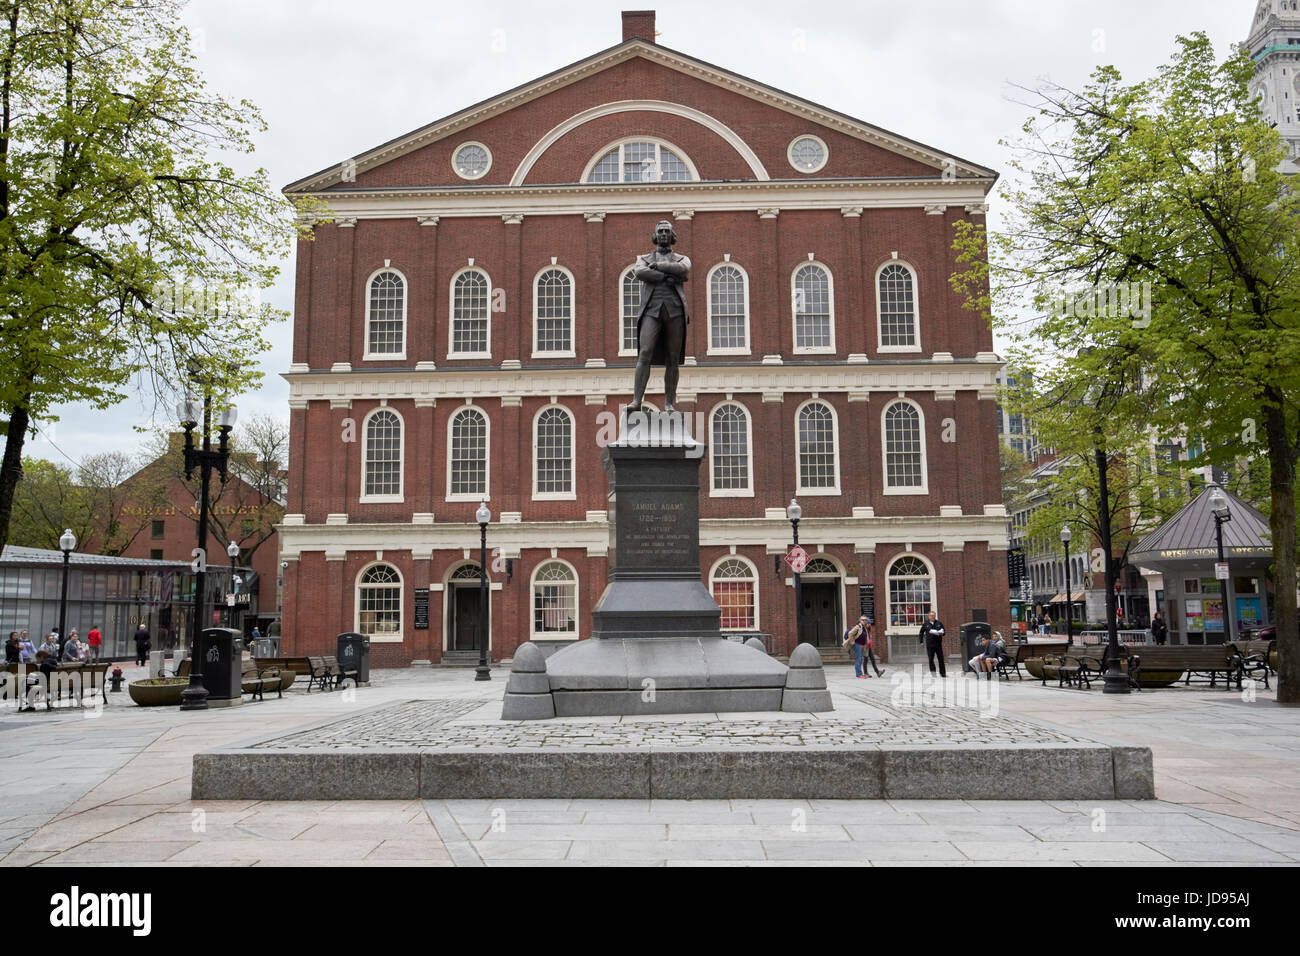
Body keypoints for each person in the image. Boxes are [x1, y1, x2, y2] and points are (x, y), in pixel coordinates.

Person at [630, 220, 691, 413]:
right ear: (655, 236)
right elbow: (639, 272)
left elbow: (684, 270)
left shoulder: (682, 258)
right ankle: (637, 401)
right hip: (651, 311)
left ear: (672, 236)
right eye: (660, 231)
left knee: (673, 358)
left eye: (667, 231)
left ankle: (669, 403)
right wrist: (667, 274)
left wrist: (657, 267)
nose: (664, 234)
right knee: (645, 352)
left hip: (675, 312)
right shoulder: (643, 258)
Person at [919, 610, 947, 677]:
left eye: (934, 615)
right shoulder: (925, 624)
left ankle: (943, 673)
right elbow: (921, 633)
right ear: (929, 616)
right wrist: (921, 641)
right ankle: (933, 673)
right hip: (930, 645)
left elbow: (944, 632)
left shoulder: (939, 623)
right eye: (931, 616)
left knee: (941, 659)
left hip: (938, 644)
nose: (933, 617)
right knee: (931, 660)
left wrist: (942, 633)